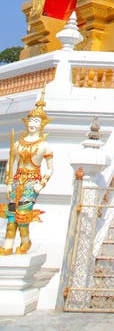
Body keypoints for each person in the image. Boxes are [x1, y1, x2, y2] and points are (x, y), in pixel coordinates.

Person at [0, 89, 53, 255]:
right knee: (11, 215)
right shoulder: (18, 143)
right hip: (17, 181)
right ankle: (8, 246)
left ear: (42, 124)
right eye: (31, 120)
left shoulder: (44, 145)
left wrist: (41, 184)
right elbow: (11, 163)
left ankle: (25, 241)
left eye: (37, 121)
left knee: (23, 214)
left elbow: (51, 169)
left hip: (31, 182)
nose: (33, 123)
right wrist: (9, 183)